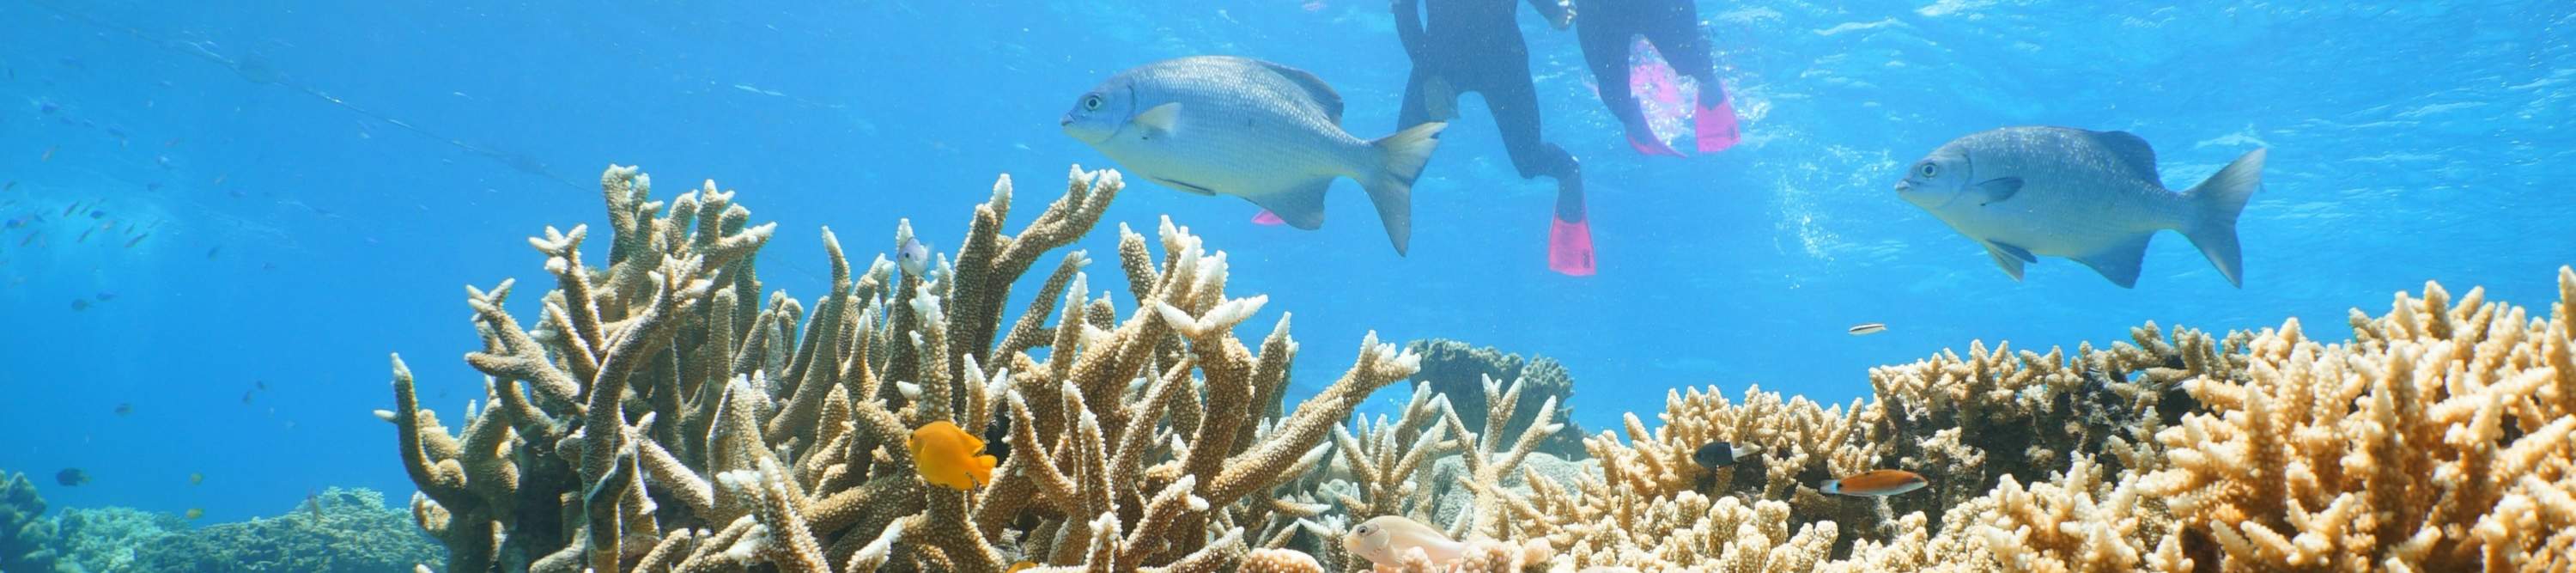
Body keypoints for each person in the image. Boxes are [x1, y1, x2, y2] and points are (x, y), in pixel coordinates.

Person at [1393, 0, 1597, 277]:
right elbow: (1404, 9)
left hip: (1502, 57)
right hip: (1440, 59)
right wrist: (1429, 76)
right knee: (1399, 166)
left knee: (1529, 161)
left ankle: (1568, 172)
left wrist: (1552, 11)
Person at [1576, 0, 1741, 157]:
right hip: (1598, 11)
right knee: (1615, 92)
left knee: (1690, 62)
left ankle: (1708, 78)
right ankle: (1629, 116)